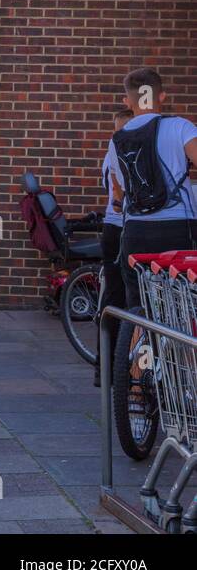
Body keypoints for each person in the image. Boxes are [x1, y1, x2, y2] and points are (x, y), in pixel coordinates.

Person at [107, 67, 197, 324]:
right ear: (163, 96)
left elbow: (121, 189)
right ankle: (175, 361)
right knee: (182, 306)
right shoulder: (180, 126)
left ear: (127, 100)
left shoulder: (117, 140)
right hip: (179, 228)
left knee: (139, 309)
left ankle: (141, 361)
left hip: (135, 230)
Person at [96, 107, 133, 386]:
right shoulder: (123, 150)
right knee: (124, 299)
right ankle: (116, 368)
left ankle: (105, 368)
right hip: (122, 227)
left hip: (113, 227)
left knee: (113, 297)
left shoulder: (111, 153)